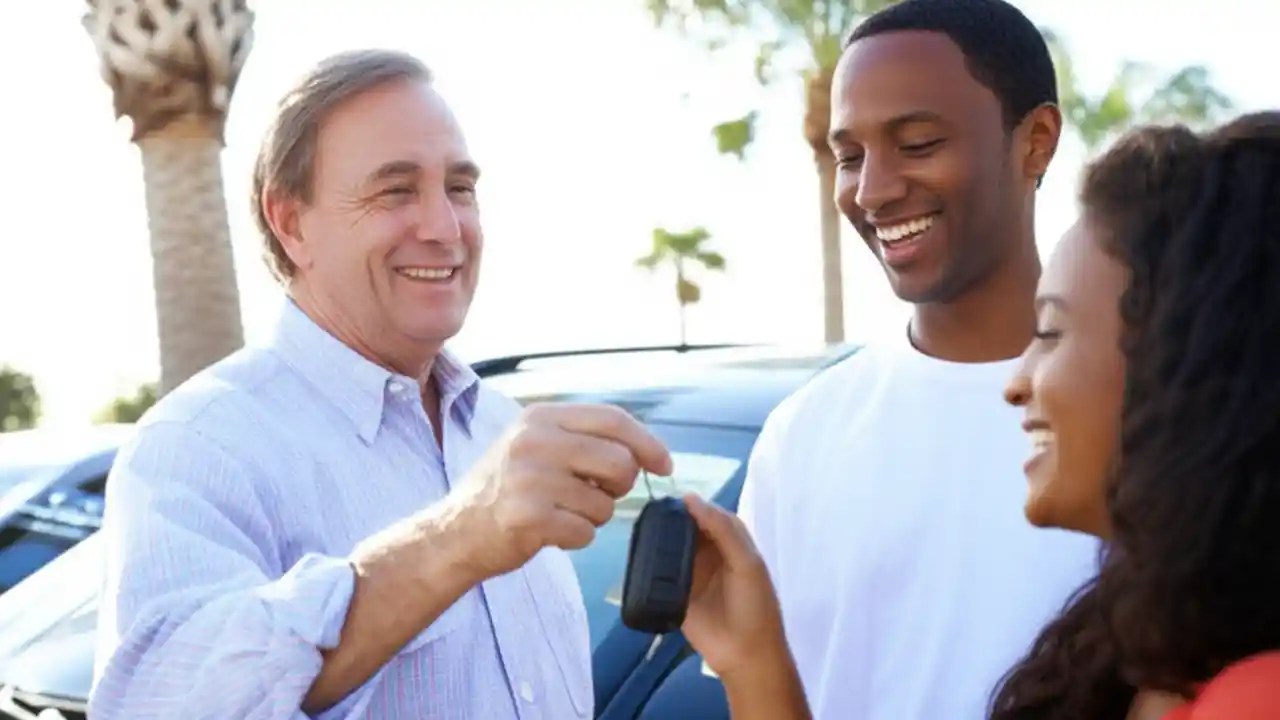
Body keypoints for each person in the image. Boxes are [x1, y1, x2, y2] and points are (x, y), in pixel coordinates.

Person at [89, 49, 673, 720]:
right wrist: (456, 537)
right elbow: (154, 705)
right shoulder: (198, 446)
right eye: (396, 190)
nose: (444, 228)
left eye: (459, 187)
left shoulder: (501, 429)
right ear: (291, 223)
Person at [680, 112, 1280, 719]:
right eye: (851, 157)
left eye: (1050, 330)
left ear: (1190, 360)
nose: (1016, 382)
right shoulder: (1131, 653)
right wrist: (753, 659)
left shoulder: (1252, 699)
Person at [729, 0, 1100, 716]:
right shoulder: (800, 435)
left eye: (920, 143)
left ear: (1036, 141)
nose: (872, 190)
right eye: (849, 157)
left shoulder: (1144, 416)